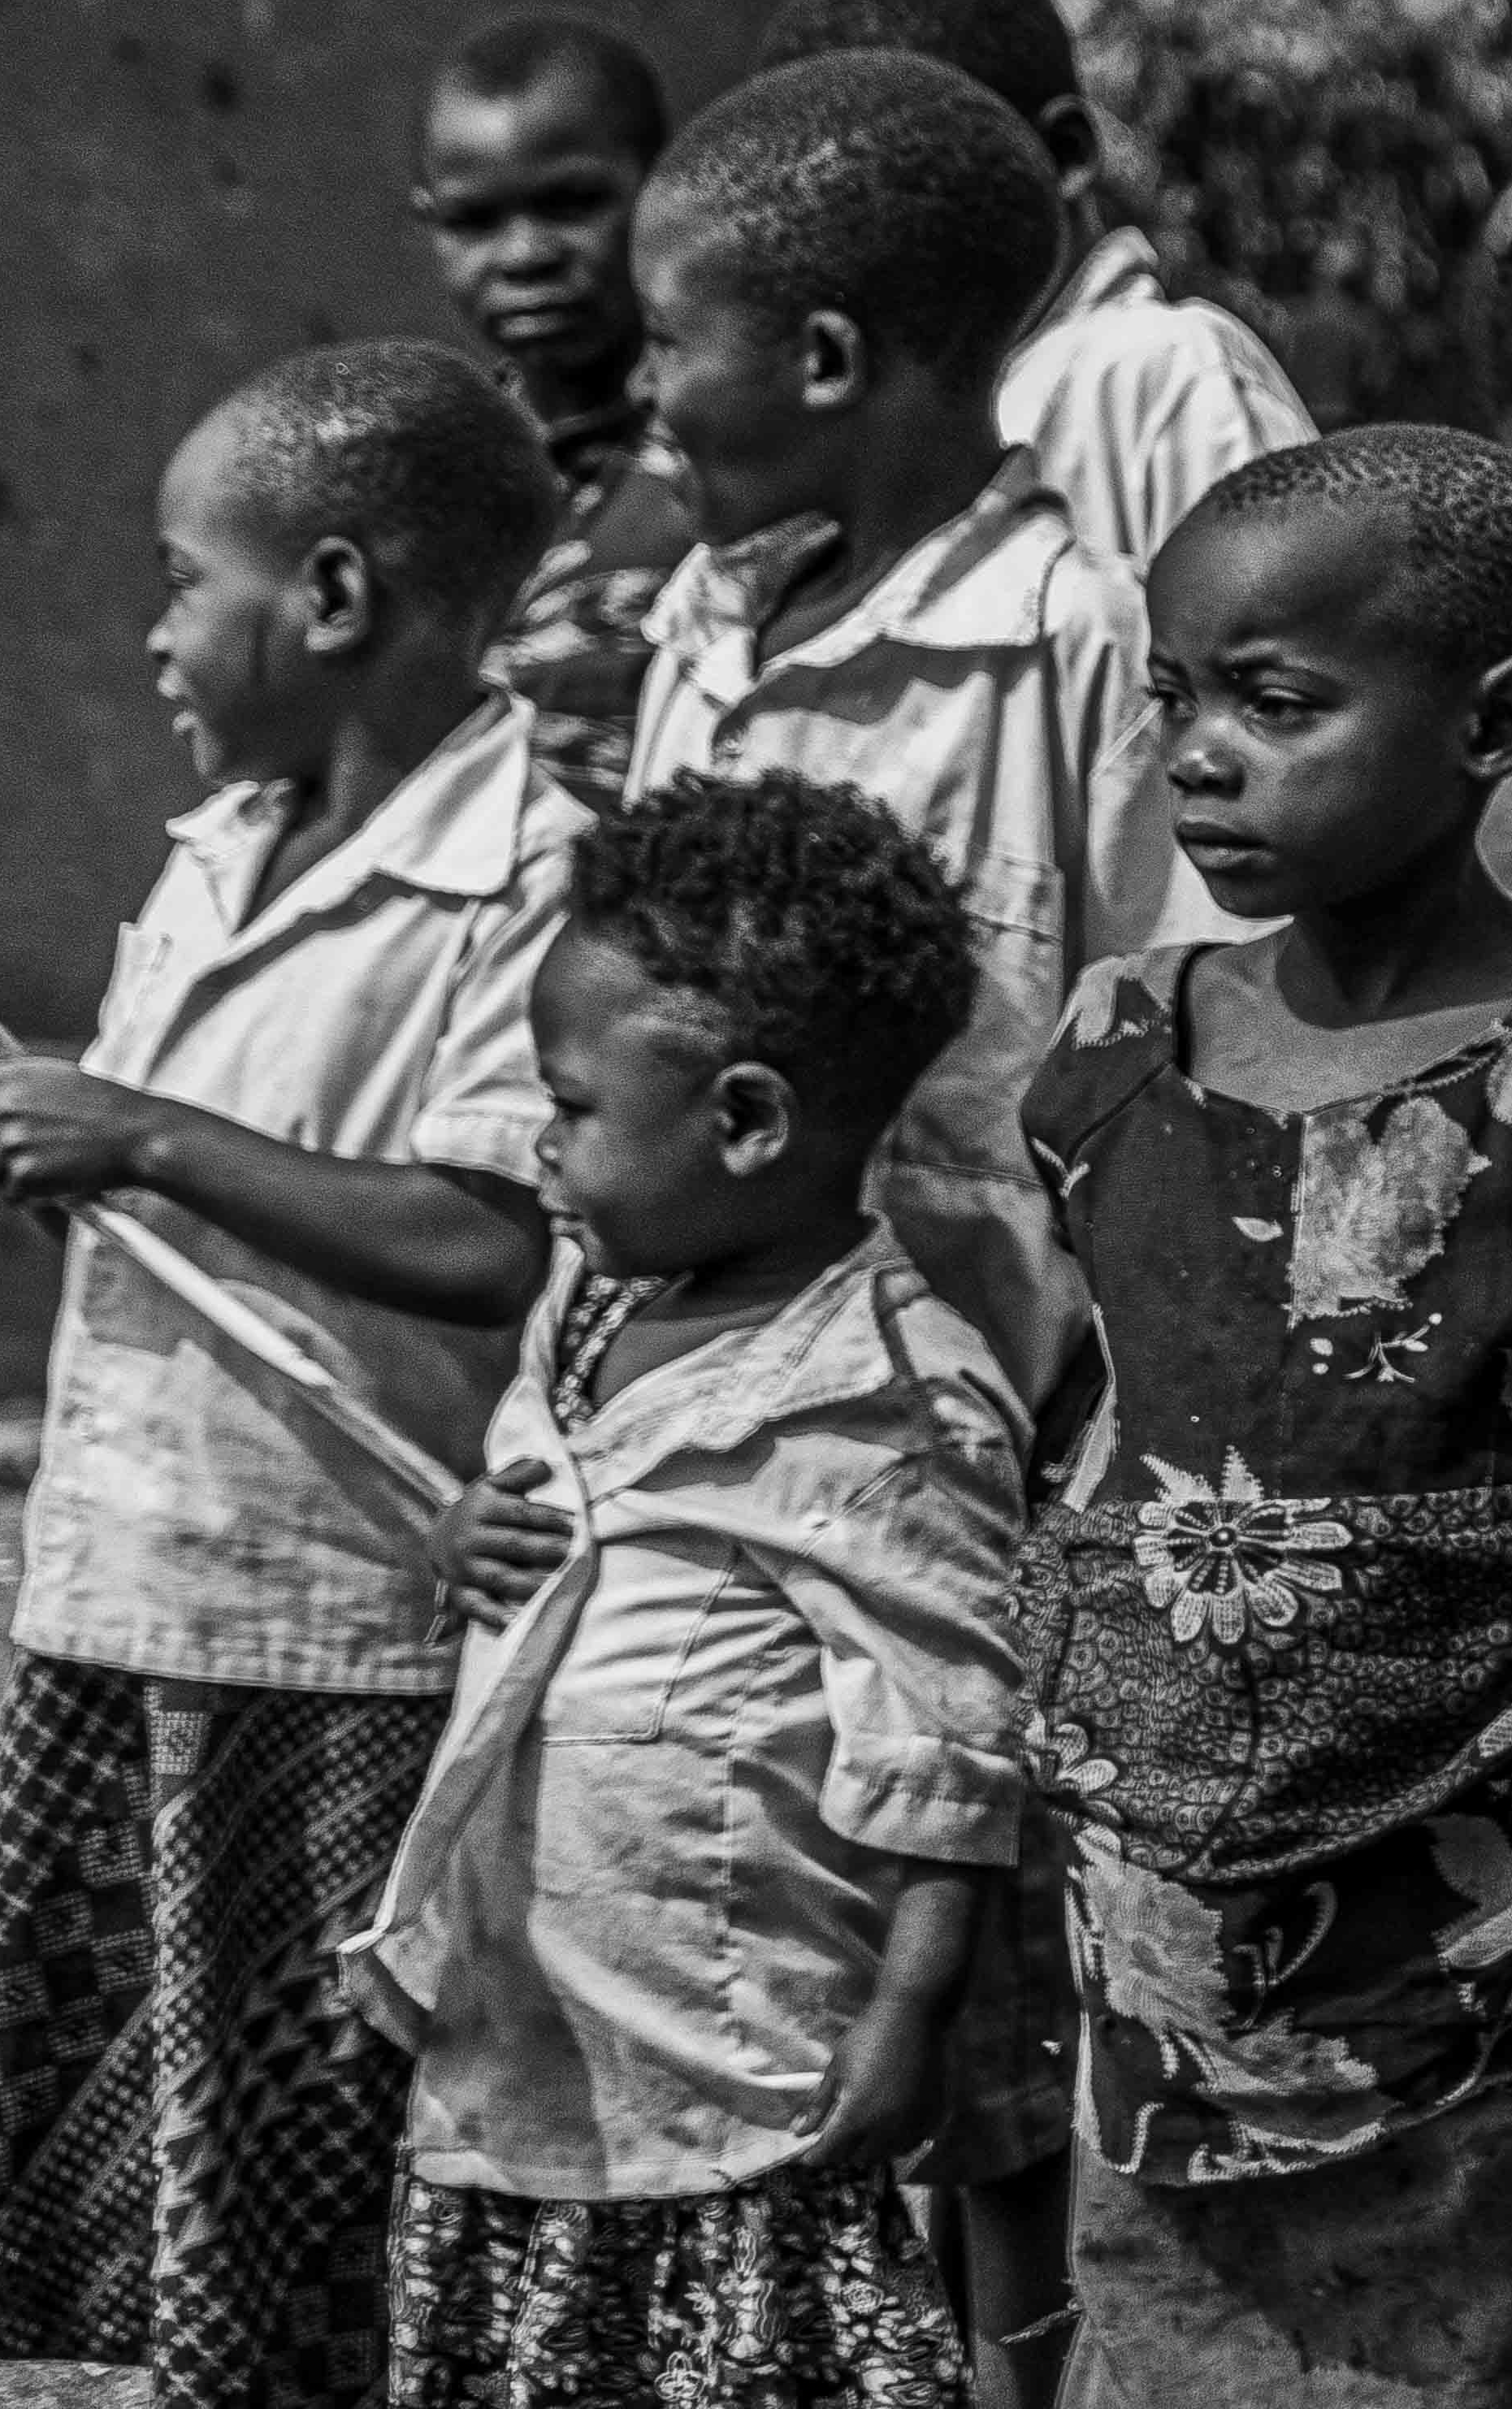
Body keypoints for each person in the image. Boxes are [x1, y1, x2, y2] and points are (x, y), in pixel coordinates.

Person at [0, 341, 580, 2409]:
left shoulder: (529, 867)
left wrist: (141, 1132)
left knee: (319, 2184)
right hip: (137, 1584)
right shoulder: (220, 841)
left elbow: (487, 1231)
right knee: (178, 2198)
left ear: (333, 596)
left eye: (184, 580)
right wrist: (25, 1113)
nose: (158, 633)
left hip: (340, 1617)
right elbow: (192, 1182)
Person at [1010, 427, 1512, 2408]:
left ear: (1493, 723)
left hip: (1505, 1904)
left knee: (1511, 2337)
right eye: (1175, 701)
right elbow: (1092, 1438)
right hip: (1161, 1909)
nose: (1201, 754)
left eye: (1276, 702)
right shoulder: (1111, 1046)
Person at [618, 43, 1203, 2392]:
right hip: (698, 1419)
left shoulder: (1072, 641)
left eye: (676, 344)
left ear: (831, 361)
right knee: (733, 1926)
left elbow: (1164, 1036)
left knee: (964, 2012)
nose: (644, 394)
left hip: (969, 1442)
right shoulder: (700, 630)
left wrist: (1104, 1418)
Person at [348, 770, 1029, 2409]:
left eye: (570, 1106)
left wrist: (913, 2010)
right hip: (530, 2020)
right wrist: (461, 1541)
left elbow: (955, 1732)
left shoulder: (884, 1399)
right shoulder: (589, 1309)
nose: (540, 1146)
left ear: (744, 1120)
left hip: (735, 2054)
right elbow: (538, 1515)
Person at [757, 0, 1316, 564]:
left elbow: (1280, 647)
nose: (862, 242)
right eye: (825, 208)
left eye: (906, 184)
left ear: (1063, 155)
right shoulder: (903, 426)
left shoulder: (1162, 375)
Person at [410, 10, 700, 809]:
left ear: (660, 188)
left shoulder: (737, 460)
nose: (525, 255)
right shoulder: (425, 480)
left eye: (572, 204)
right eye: (475, 221)